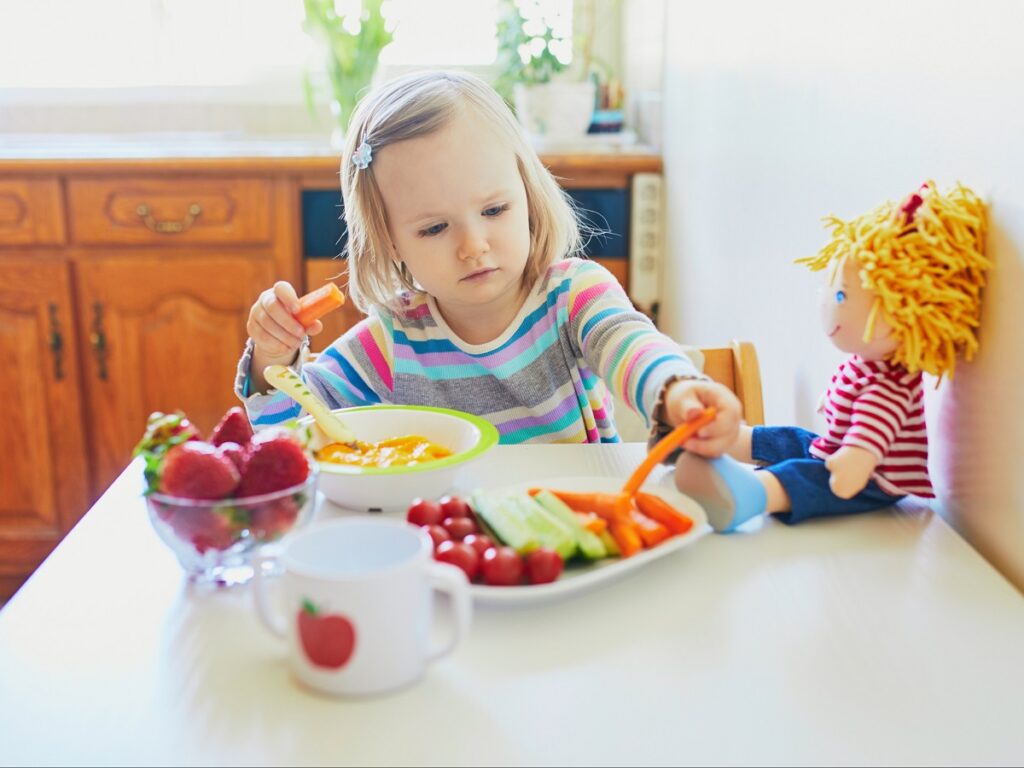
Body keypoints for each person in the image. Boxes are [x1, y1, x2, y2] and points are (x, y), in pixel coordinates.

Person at [235, 70, 740, 453]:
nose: (473, 245)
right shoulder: (393, 342)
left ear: (528, 194)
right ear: (391, 243)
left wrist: (675, 390)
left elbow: (631, 347)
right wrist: (272, 360)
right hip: (453, 552)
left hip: (585, 530)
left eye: (494, 210)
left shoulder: (573, 297)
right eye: (434, 228)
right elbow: (289, 434)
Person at [675, 181, 990, 532]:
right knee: (794, 438)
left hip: (870, 479)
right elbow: (850, 387)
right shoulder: (870, 364)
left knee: (807, 476)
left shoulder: (890, 387)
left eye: (841, 297)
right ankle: (729, 441)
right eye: (829, 288)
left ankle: (749, 493)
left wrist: (854, 461)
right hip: (838, 449)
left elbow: (871, 435)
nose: (826, 304)